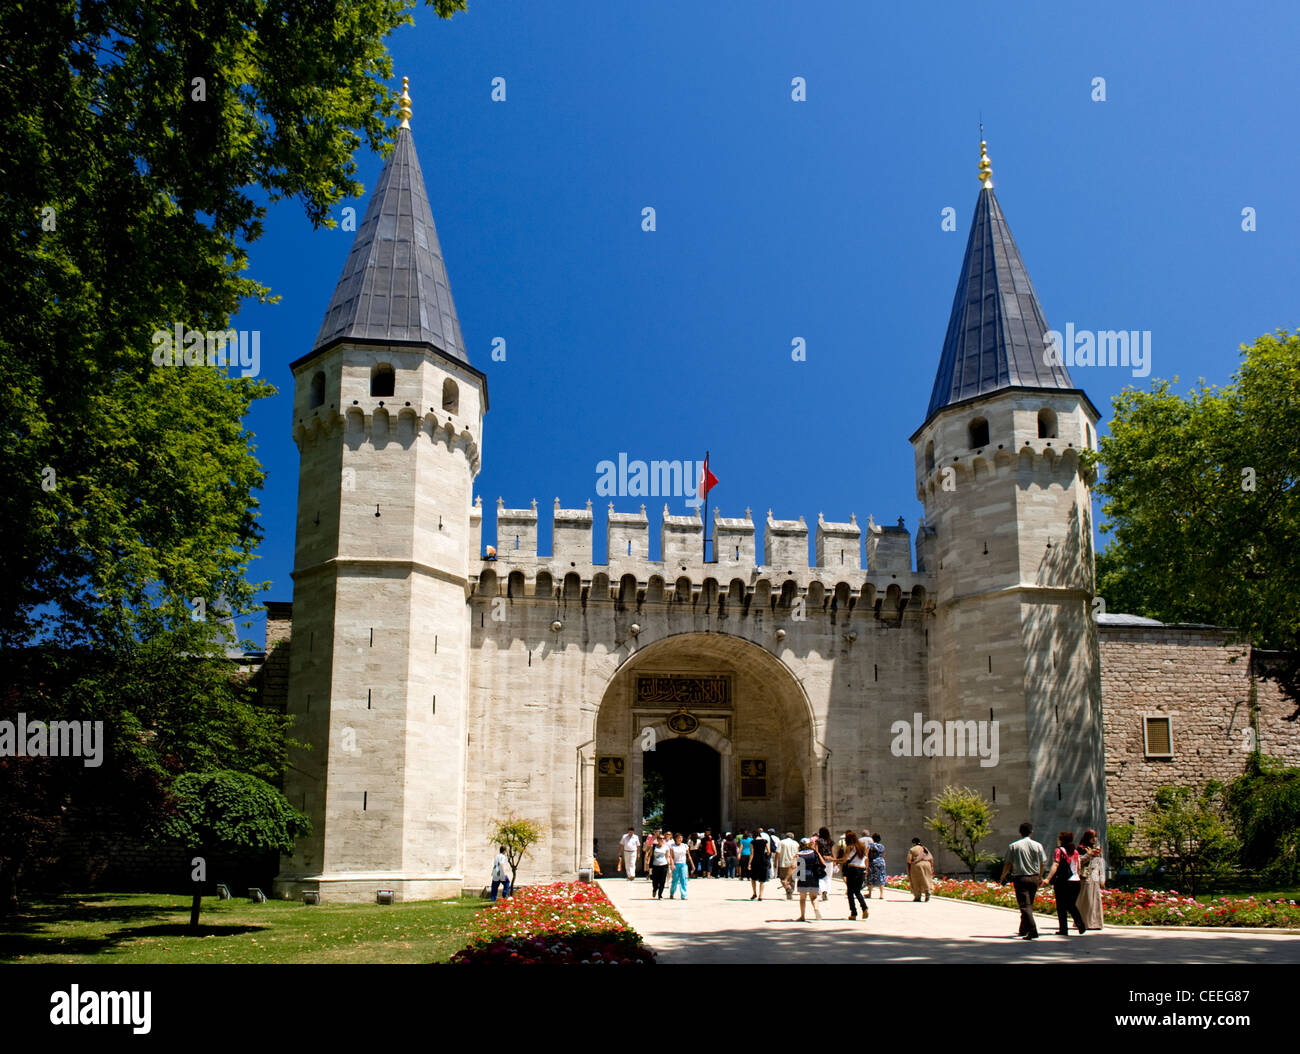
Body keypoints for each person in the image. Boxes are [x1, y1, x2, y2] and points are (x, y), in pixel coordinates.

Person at [999, 822, 1049, 940]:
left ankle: (1032, 930)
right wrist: (1040, 876)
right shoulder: (1038, 845)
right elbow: (1043, 863)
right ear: (1031, 832)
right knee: (1028, 904)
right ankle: (1023, 929)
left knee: (1025, 906)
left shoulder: (1014, 846)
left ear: (1020, 832)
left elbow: (1008, 863)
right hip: (1034, 877)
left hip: (1020, 878)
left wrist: (1003, 875)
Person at [1045, 830, 1087, 935]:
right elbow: (1079, 866)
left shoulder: (1059, 850)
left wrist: (1048, 878)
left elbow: (1055, 865)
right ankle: (1081, 925)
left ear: (1061, 840)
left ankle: (1064, 929)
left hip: (1063, 881)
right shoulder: (1076, 851)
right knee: (1071, 904)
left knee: (1061, 906)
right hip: (1076, 881)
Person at [836, 830, 869, 919]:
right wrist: (867, 869)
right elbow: (866, 858)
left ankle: (853, 913)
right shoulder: (862, 846)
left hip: (852, 869)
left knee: (850, 892)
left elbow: (844, 859)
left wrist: (833, 860)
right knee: (857, 891)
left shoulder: (850, 847)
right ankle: (865, 908)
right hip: (861, 869)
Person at [1078, 828, 1105, 931]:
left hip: (1095, 876)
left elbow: (1100, 862)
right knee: (1087, 899)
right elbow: (1079, 861)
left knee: (1096, 899)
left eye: (1095, 836)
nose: (1095, 839)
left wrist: (1102, 877)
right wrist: (1088, 855)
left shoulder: (1097, 848)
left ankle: (1095, 922)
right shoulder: (1081, 848)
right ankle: (1085, 922)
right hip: (1086, 875)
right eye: (1092, 837)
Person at [795, 837, 826, 921]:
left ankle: (802, 916)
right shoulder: (814, 853)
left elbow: (794, 866)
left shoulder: (799, 854)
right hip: (813, 875)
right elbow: (823, 863)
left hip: (802, 875)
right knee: (814, 897)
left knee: (802, 898)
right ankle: (816, 909)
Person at [906, 837, 934, 902]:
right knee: (926, 878)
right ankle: (927, 891)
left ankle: (918, 896)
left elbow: (909, 860)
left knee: (916, 880)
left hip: (917, 865)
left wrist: (909, 867)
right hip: (927, 864)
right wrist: (931, 866)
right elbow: (931, 858)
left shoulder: (912, 849)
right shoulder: (925, 848)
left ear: (913, 843)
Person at [668, 832, 692, 899]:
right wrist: (672, 864)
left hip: (683, 864)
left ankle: (683, 895)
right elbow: (671, 857)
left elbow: (688, 855)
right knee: (675, 880)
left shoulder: (685, 846)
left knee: (683, 879)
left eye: (681, 838)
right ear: (675, 839)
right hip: (676, 864)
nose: (680, 839)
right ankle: (672, 893)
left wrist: (692, 864)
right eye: (678, 838)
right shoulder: (672, 846)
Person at [749, 827, 771, 900]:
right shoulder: (765, 841)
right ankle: (760, 896)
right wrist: (765, 856)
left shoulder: (753, 842)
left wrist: (749, 863)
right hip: (763, 860)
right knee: (762, 879)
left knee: (753, 878)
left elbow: (752, 853)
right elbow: (768, 851)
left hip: (755, 861)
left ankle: (754, 893)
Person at [777, 831, 801, 898]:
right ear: (792, 837)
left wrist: (776, 861)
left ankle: (787, 888)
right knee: (792, 879)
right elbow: (798, 854)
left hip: (783, 863)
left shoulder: (781, 842)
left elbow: (778, 852)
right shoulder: (796, 843)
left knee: (782, 878)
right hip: (793, 863)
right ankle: (791, 891)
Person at [816, 827, 834, 902]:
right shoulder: (831, 841)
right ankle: (827, 893)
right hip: (829, 861)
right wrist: (835, 861)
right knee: (828, 878)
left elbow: (816, 851)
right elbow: (832, 852)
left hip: (821, 861)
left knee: (820, 877)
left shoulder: (818, 841)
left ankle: (822, 890)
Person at [649, 834, 670, 899]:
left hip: (664, 865)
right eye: (660, 838)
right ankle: (655, 889)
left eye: (663, 839)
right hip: (655, 865)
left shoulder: (666, 847)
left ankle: (660, 894)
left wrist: (669, 864)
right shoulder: (654, 847)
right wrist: (648, 864)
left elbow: (667, 856)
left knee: (662, 881)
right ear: (657, 840)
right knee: (655, 880)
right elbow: (650, 855)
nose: (661, 840)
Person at [866, 833, 887, 898]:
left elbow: (866, 854)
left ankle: (869, 893)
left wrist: (866, 863)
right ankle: (881, 894)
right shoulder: (882, 846)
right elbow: (883, 855)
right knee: (881, 877)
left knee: (870, 877)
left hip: (872, 862)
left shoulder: (870, 845)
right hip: (881, 862)